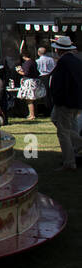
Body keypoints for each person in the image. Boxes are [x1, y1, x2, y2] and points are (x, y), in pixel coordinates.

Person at [47, 36, 82, 170]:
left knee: (63, 132)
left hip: (65, 102)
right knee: (68, 126)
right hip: (75, 101)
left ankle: (69, 162)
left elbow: (59, 85)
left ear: (58, 50)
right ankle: (76, 147)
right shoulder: (76, 61)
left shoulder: (63, 63)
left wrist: (57, 100)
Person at [16, 54, 44, 120]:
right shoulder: (33, 62)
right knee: (33, 99)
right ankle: (32, 113)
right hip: (34, 81)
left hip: (29, 81)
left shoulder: (27, 63)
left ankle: (32, 115)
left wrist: (19, 71)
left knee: (29, 99)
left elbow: (26, 73)